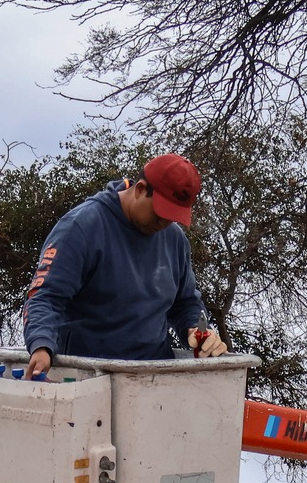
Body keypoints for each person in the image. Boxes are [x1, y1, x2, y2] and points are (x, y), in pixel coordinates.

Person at [23, 153, 232, 377]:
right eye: (160, 213)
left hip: (153, 377)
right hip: (86, 376)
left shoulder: (175, 240)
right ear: (140, 189)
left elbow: (186, 303)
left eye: (173, 217)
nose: (164, 224)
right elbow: (45, 296)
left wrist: (196, 330)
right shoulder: (81, 228)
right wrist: (41, 344)